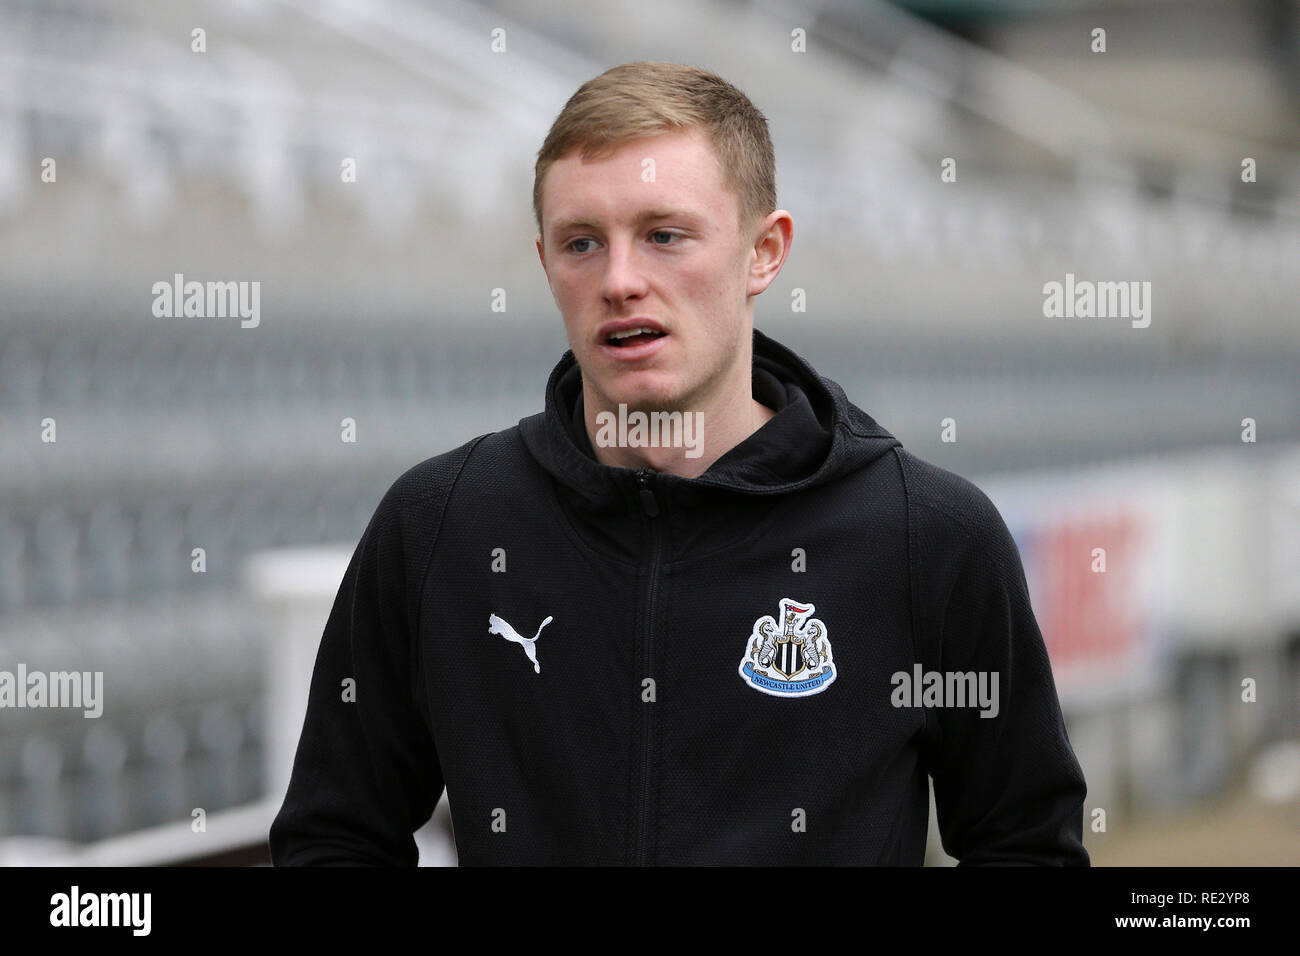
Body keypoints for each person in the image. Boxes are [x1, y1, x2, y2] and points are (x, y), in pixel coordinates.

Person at [269, 61, 1089, 866]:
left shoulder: (927, 539)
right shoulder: (443, 525)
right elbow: (334, 835)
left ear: (764, 252)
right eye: (581, 242)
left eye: (665, 236)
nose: (621, 280)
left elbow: (1025, 845)